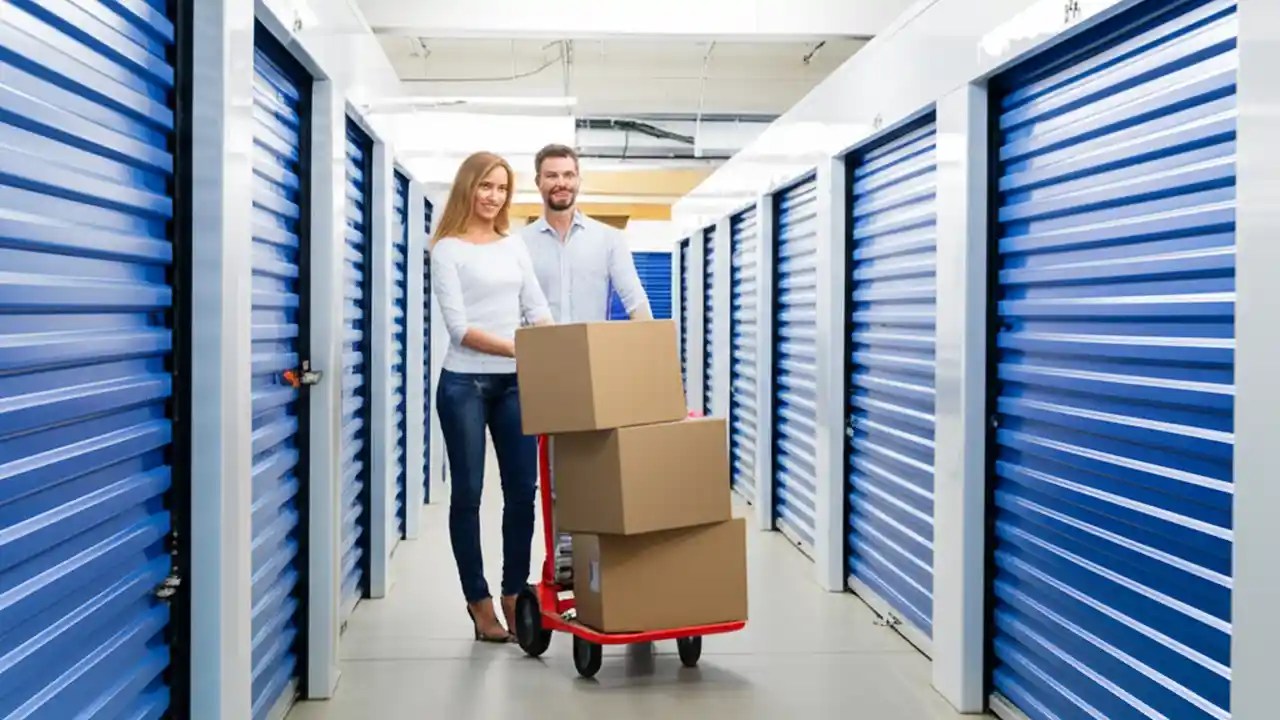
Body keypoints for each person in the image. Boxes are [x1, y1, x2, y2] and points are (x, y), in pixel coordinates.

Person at [430, 151, 554, 642]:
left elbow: (536, 307)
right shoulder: (447, 249)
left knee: (523, 491)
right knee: (469, 494)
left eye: (502, 188)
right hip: (464, 384)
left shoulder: (514, 245)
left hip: (515, 384)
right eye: (485, 186)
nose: (494, 196)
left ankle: (512, 589)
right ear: (468, 188)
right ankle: (478, 601)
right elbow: (459, 329)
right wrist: (518, 347)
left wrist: (553, 345)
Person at [522, 143, 653, 323]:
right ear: (538, 182)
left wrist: (653, 346)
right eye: (552, 176)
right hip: (538, 350)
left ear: (578, 181)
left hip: (593, 350)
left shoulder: (609, 239)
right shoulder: (520, 243)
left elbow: (636, 302)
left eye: (568, 175)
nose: (561, 183)